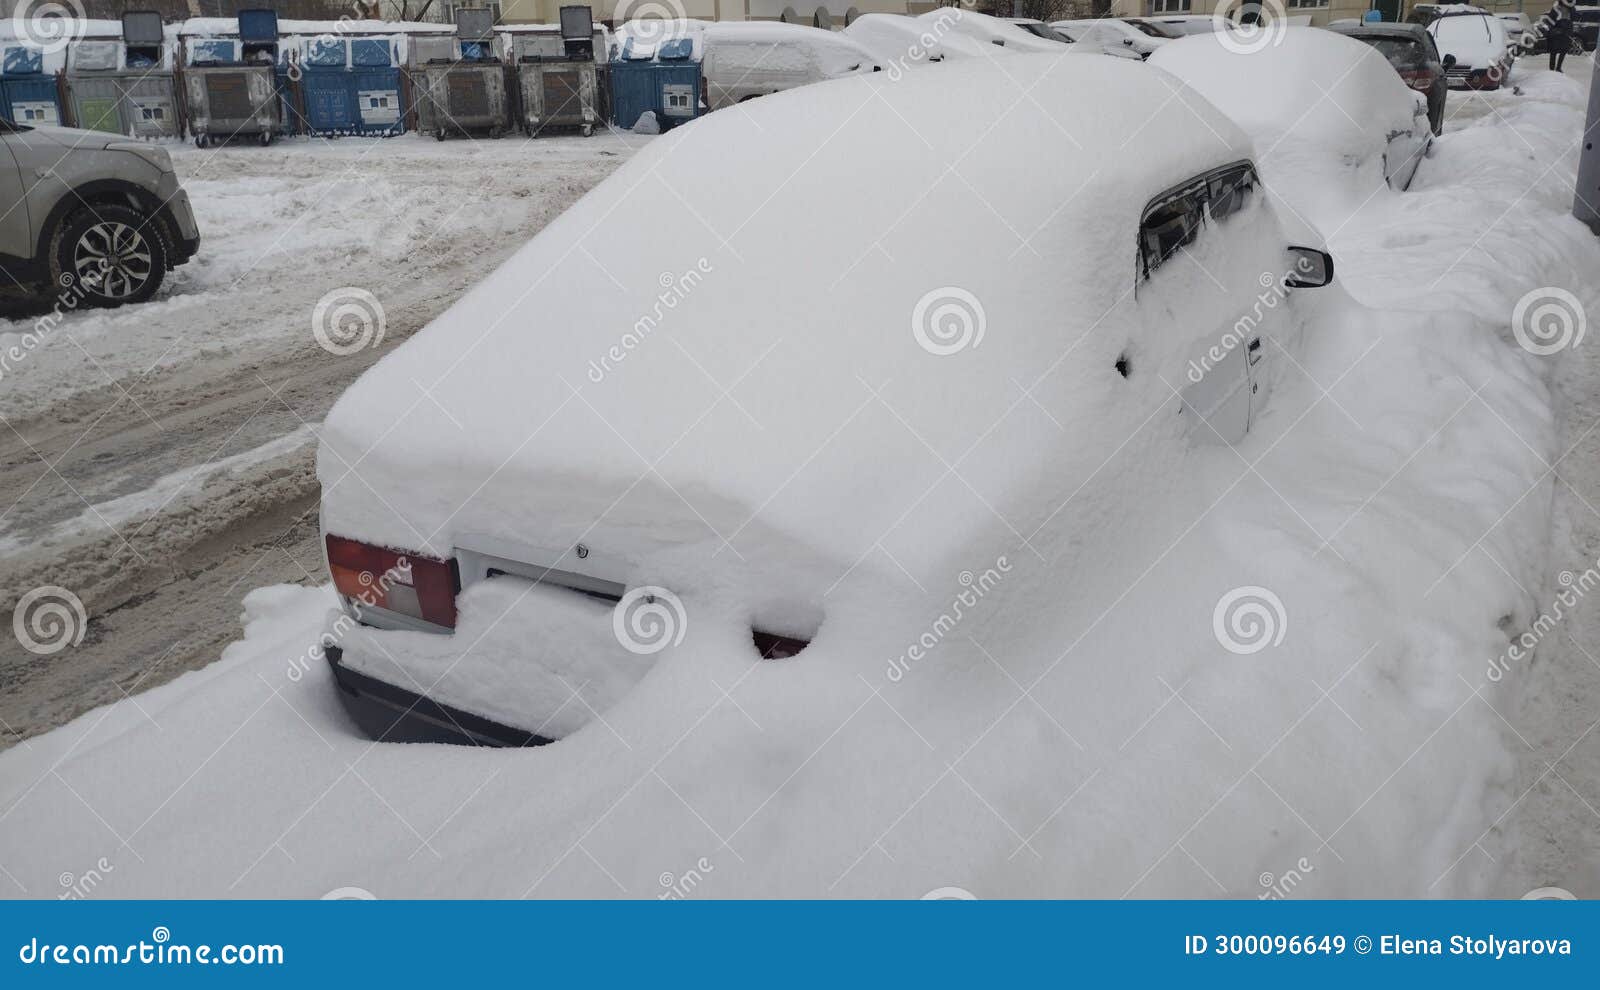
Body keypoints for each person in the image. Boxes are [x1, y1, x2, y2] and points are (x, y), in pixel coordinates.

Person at [1549, 6, 1573, 73]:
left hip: (1565, 33)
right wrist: (1557, 30)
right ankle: (1551, 69)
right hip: (1556, 35)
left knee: (1563, 51)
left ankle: (1558, 68)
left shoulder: (1569, 8)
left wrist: (1569, 32)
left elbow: (1572, 19)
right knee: (1553, 52)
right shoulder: (1555, 8)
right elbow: (1550, 22)